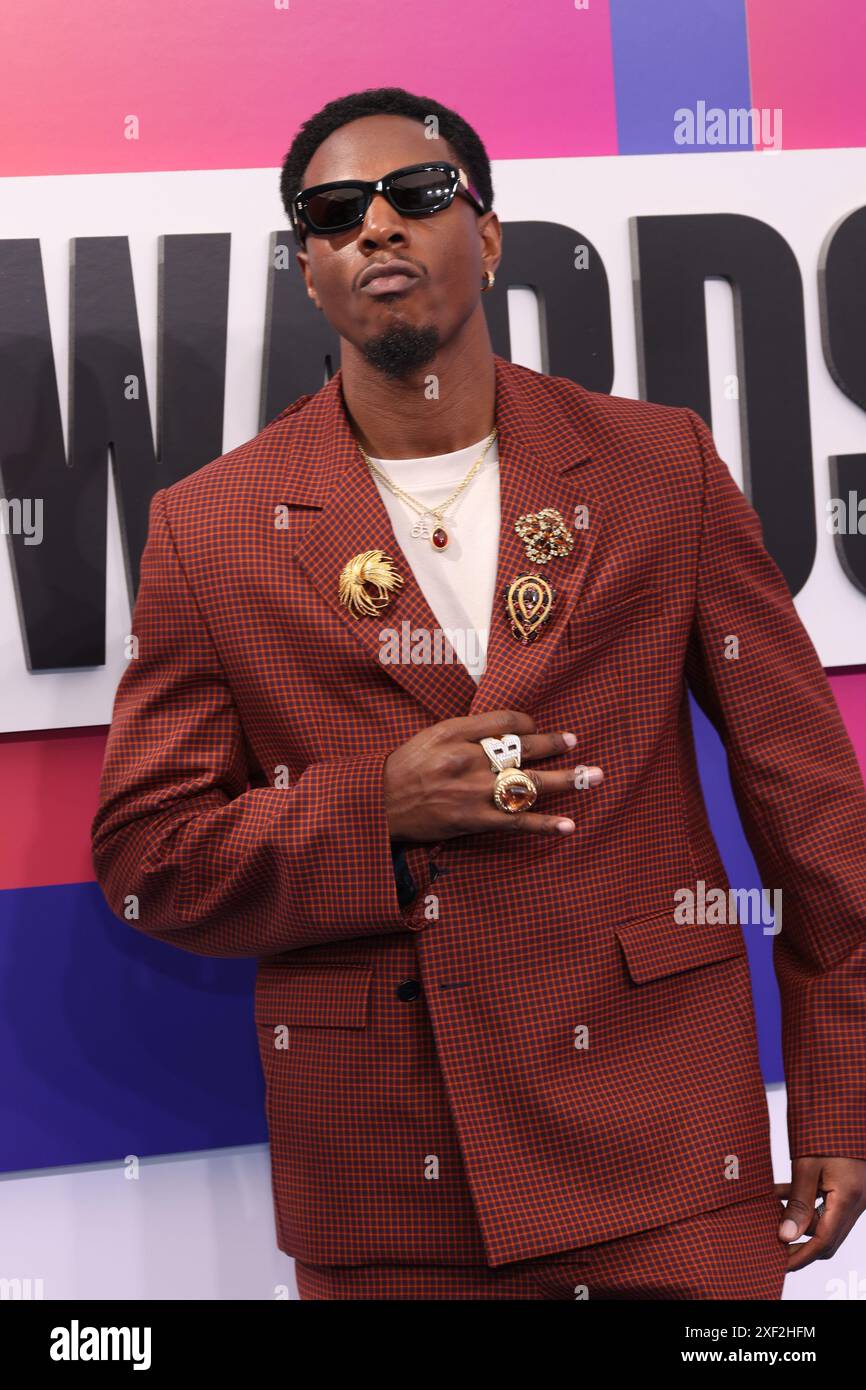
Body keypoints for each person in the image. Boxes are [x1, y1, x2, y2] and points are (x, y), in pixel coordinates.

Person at [91, 86, 866, 1300]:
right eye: (335, 213)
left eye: (419, 194)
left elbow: (810, 809)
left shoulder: (661, 466)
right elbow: (149, 856)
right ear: (309, 270)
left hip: (664, 1155)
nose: (378, 227)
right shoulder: (210, 528)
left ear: (489, 235)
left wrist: (839, 1091)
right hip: (392, 1189)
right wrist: (373, 808)